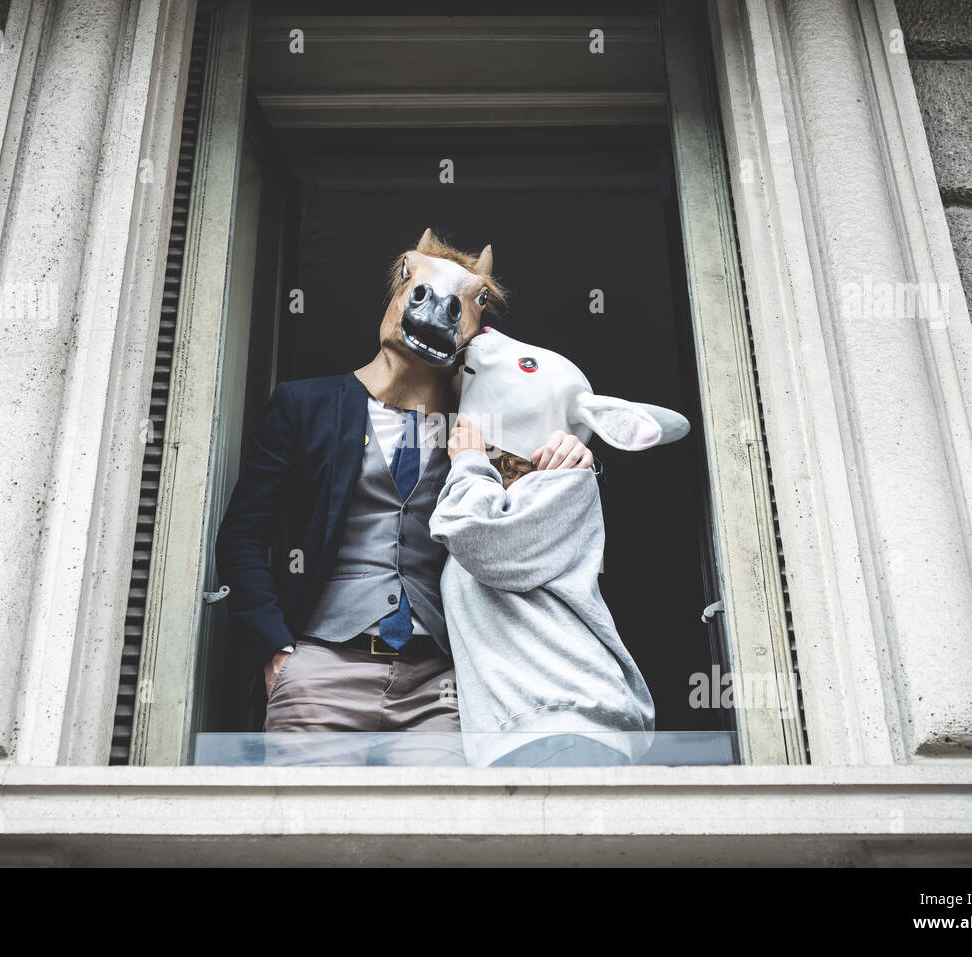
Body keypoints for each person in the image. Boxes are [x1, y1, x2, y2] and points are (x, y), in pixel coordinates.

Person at [214, 229, 598, 763]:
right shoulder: (306, 405)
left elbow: (526, 530)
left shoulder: (482, 427)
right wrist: (276, 651)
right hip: (322, 666)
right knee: (306, 836)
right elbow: (243, 536)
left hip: (440, 684)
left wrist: (572, 463)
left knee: (440, 836)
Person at [429, 327, 690, 767]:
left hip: (565, 727)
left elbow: (470, 532)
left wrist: (469, 461)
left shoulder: (562, 483)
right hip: (531, 733)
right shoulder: (499, 493)